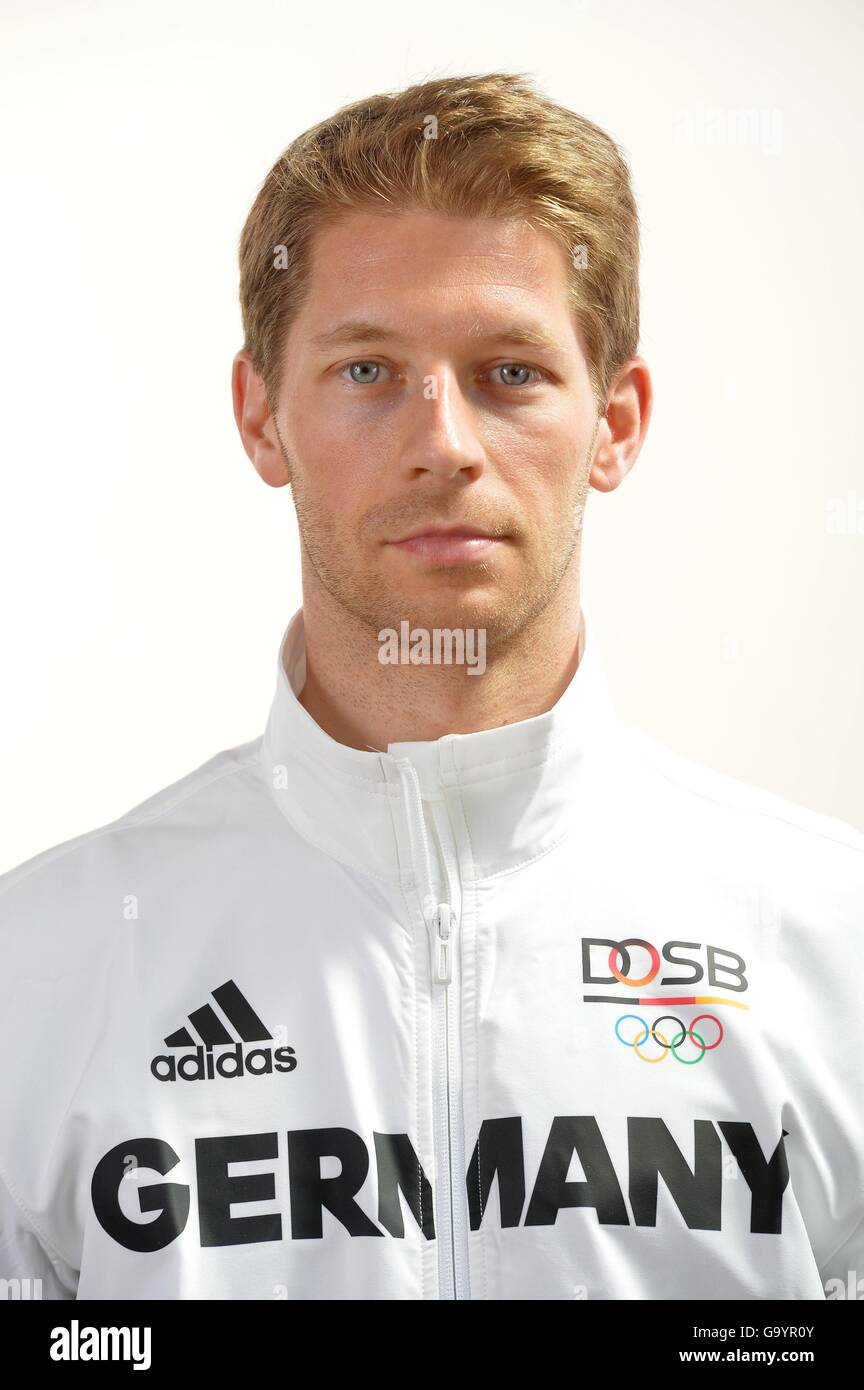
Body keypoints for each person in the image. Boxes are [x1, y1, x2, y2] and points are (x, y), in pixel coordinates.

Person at [1, 71, 862, 1303]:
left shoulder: (834, 945)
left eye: (510, 371)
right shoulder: (37, 970)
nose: (445, 440)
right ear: (260, 416)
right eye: (367, 372)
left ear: (617, 422)